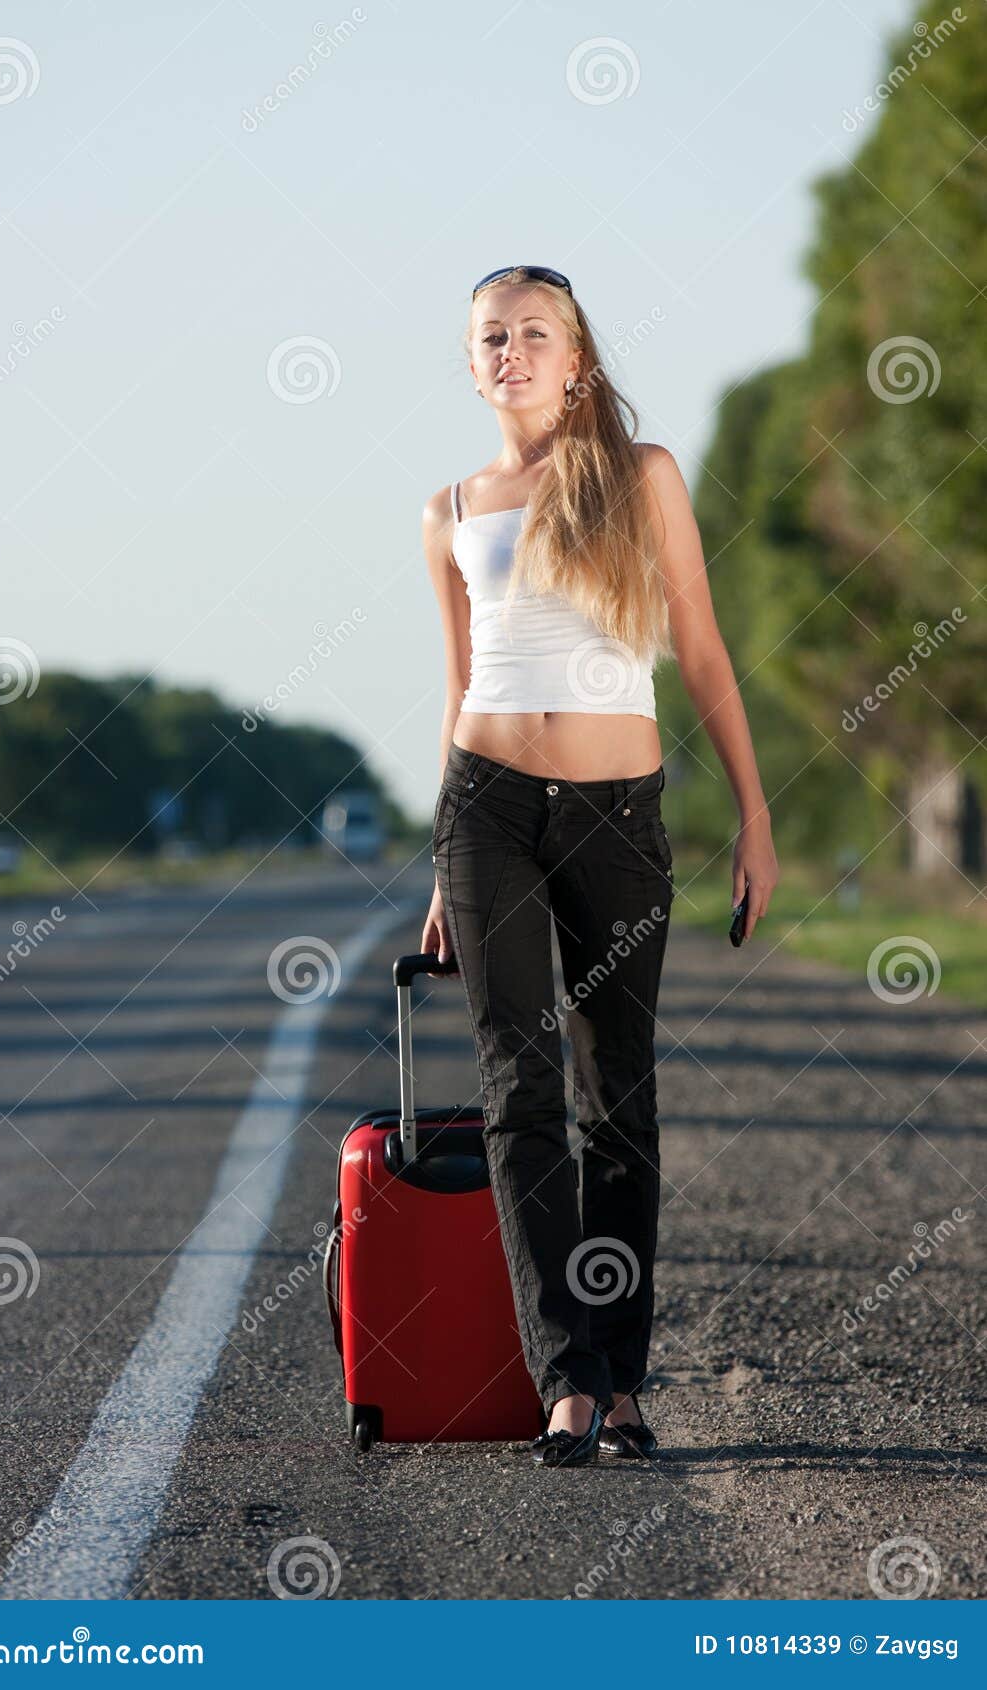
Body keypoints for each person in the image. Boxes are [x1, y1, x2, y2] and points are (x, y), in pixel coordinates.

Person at [420, 264, 778, 1467]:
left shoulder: (639, 477)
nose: (510, 350)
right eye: (491, 336)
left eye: (533, 332)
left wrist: (753, 813)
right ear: (467, 364)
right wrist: (439, 869)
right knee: (517, 1094)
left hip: (616, 816)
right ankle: (565, 1380)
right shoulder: (449, 512)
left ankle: (620, 1381)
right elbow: (459, 684)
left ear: (575, 357)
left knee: (610, 1098)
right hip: (484, 810)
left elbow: (700, 646)